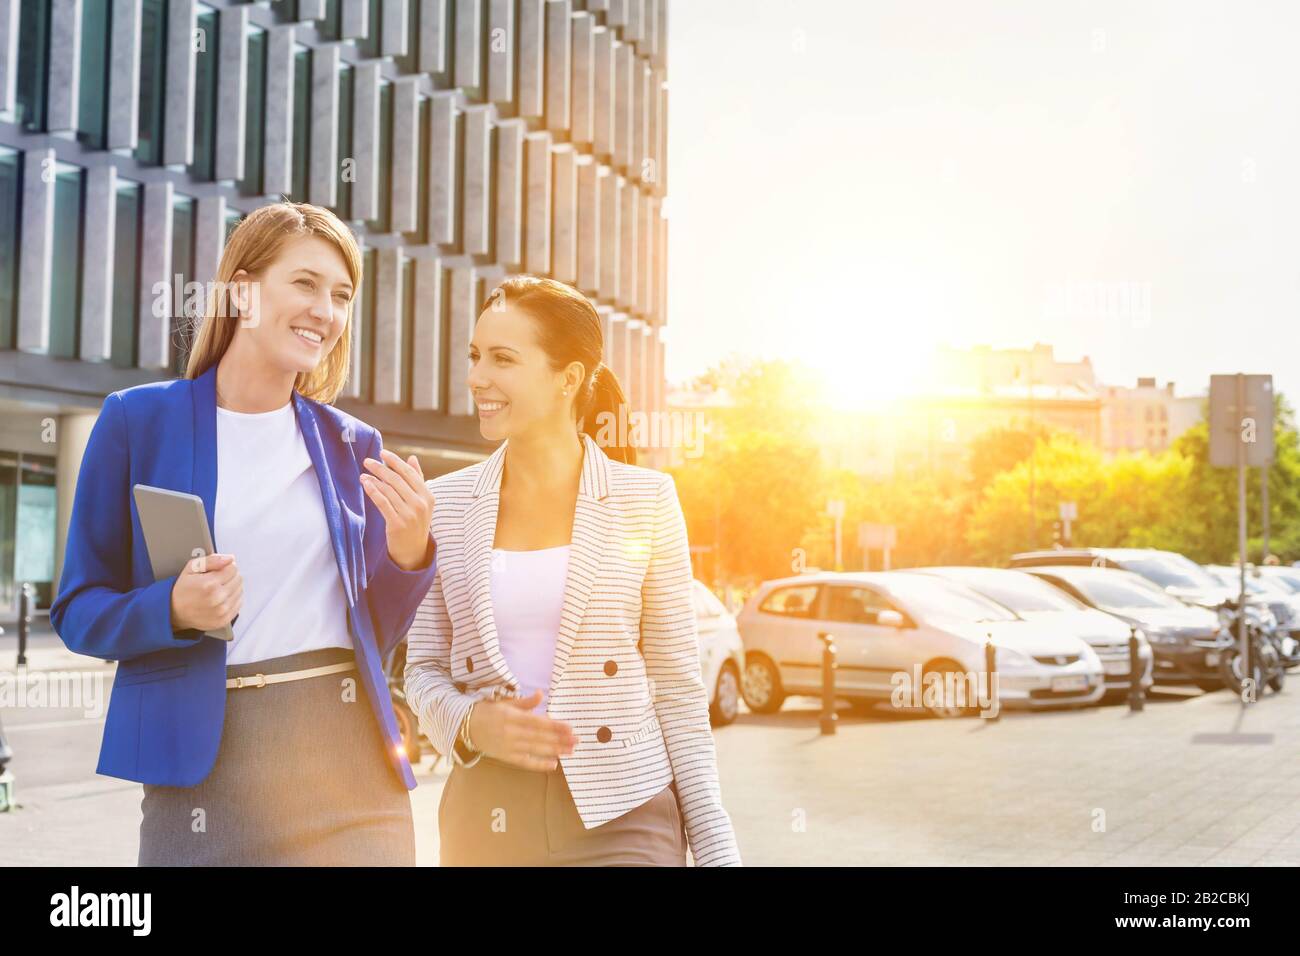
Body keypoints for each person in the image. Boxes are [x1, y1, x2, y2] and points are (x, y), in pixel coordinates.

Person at [51, 201, 438, 865]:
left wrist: (408, 552)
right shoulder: (138, 422)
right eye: (305, 284)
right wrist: (170, 608)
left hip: (347, 765)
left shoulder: (354, 444)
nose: (326, 310)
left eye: (341, 295)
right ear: (240, 292)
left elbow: (375, 630)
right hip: (204, 777)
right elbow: (78, 610)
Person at [405, 276, 742, 866]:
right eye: (475, 356)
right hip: (489, 817)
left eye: (503, 359)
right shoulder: (446, 504)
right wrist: (473, 723)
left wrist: (716, 850)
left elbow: (678, 692)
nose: (477, 377)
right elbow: (424, 670)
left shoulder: (647, 499)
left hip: (624, 812)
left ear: (569, 378)